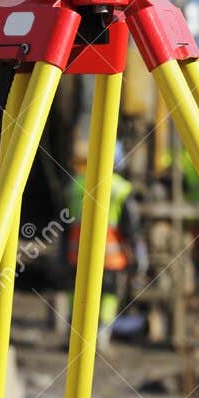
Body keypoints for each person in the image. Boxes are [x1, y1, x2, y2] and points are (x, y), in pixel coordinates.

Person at [66, 144, 140, 346]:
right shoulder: (121, 189)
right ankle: (101, 337)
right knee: (108, 295)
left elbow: (66, 223)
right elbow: (130, 228)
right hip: (110, 257)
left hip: (78, 254)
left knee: (78, 293)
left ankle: (74, 335)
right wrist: (136, 256)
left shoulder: (77, 184)